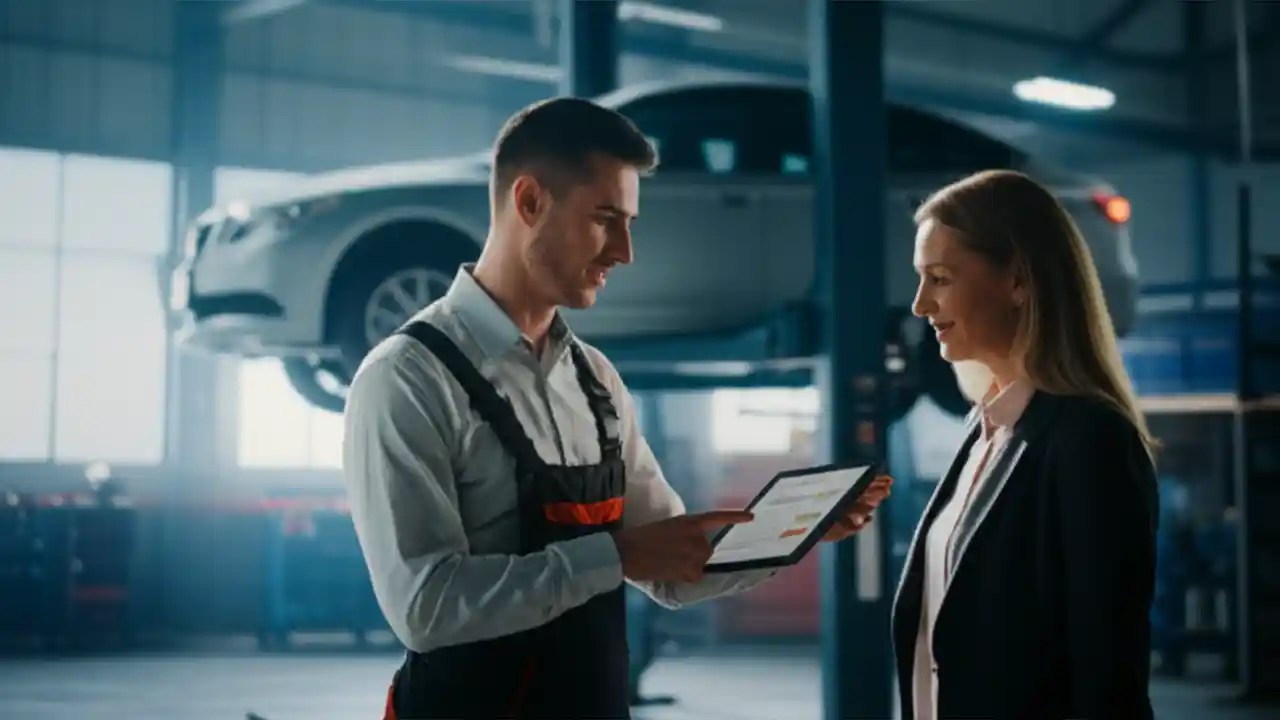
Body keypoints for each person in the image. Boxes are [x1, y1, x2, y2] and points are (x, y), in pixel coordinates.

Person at [342, 96, 892, 720]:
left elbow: (672, 570)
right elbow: (425, 607)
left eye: (629, 223)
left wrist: (789, 532)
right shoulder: (408, 377)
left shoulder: (595, 380)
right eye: (605, 219)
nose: (624, 251)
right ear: (530, 201)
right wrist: (616, 556)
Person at [891, 169, 1159, 720]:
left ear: (1018, 280)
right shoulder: (986, 430)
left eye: (940, 278)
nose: (919, 305)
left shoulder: (1090, 441)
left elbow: (1108, 668)